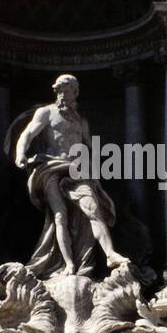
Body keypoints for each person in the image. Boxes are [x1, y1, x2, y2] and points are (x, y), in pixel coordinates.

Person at [13, 74, 129, 277]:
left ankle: (110, 254)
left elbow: (90, 148)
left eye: (66, 91)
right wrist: (20, 153)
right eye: (59, 91)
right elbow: (28, 133)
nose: (62, 95)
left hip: (76, 170)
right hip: (51, 167)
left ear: (75, 93)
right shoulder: (46, 113)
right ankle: (69, 265)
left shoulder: (81, 122)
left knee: (93, 208)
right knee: (60, 216)